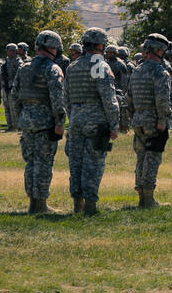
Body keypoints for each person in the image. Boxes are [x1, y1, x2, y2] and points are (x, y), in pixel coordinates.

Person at [64, 28, 120, 215]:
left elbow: (66, 98)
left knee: (76, 164)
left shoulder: (72, 66)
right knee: (93, 164)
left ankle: (77, 205)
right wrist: (114, 124)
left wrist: (73, 117)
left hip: (76, 120)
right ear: (101, 45)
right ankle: (90, 206)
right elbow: (108, 98)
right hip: (96, 120)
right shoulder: (100, 66)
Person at [13, 31, 68, 215]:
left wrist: (20, 118)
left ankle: (32, 203)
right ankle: (41, 204)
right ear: (53, 48)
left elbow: (15, 96)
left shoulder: (24, 68)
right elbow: (57, 99)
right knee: (44, 163)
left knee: (30, 163)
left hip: (26, 122)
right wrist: (60, 122)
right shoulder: (53, 69)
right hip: (46, 124)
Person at [129, 33, 172, 208]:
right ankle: (148, 199)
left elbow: (129, 98)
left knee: (141, 158)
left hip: (139, 119)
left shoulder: (137, 70)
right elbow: (162, 100)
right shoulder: (159, 72)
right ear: (158, 50)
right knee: (152, 158)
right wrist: (162, 119)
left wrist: (135, 115)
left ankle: (141, 196)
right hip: (154, 121)